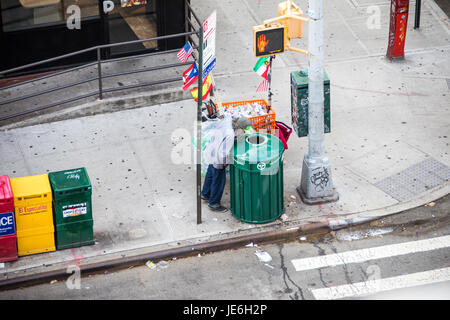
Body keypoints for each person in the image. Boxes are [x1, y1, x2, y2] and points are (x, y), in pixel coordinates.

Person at [201, 116, 252, 212]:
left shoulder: (228, 120)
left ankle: (205, 194)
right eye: (243, 130)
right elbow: (223, 153)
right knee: (219, 181)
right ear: (239, 128)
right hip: (218, 158)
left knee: (210, 174)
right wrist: (225, 163)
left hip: (211, 149)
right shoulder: (230, 135)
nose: (243, 133)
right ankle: (214, 203)